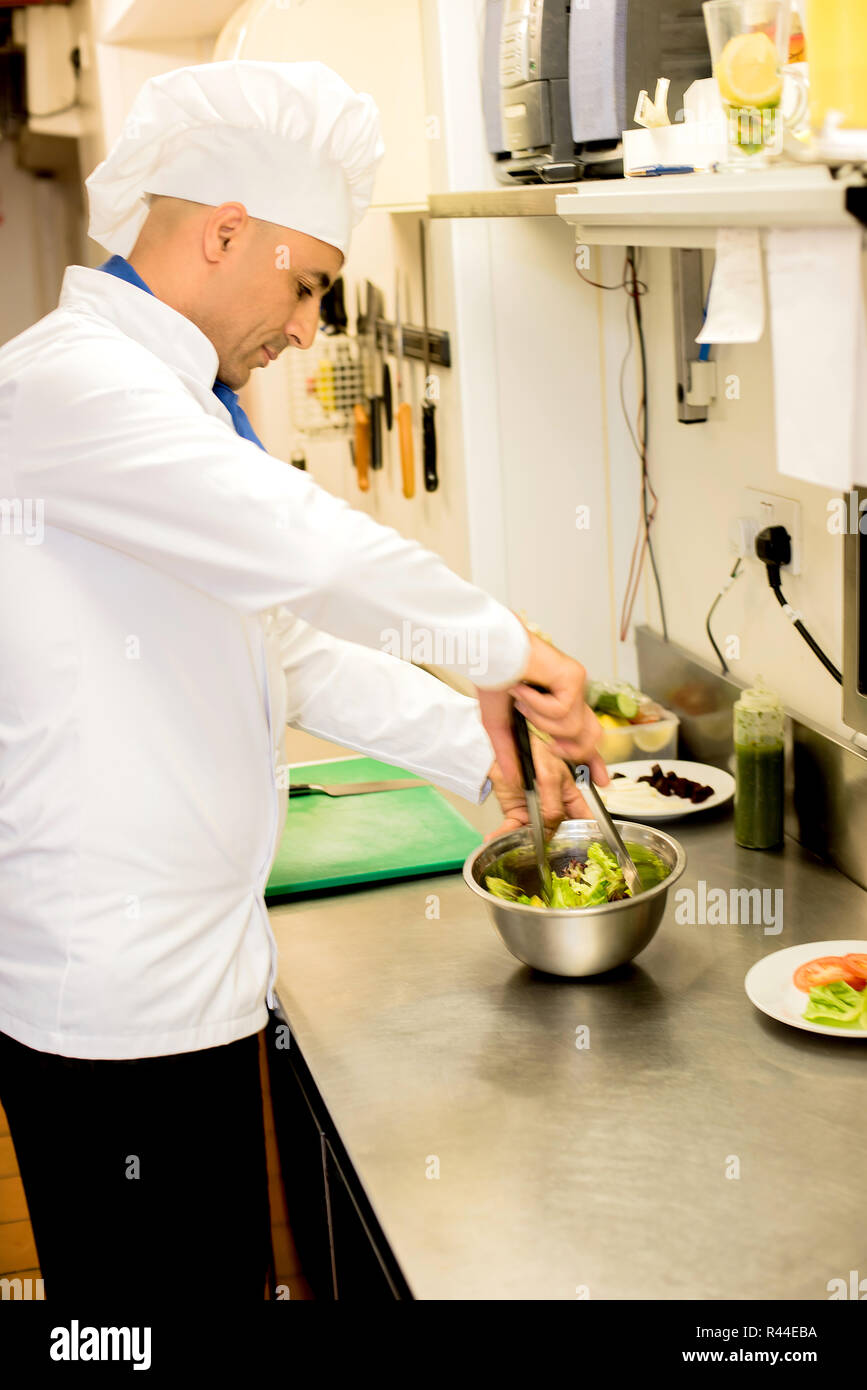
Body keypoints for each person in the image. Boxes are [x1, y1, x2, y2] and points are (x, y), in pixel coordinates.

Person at [0, 59, 606, 1300]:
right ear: (227, 231)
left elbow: (281, 646)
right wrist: (514, 649)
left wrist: (483, 754)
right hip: (111, 1005)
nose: (311, 329)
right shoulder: (70, 386)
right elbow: (307, 547)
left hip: (199, 976)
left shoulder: (172, 397)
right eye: (313, 284)